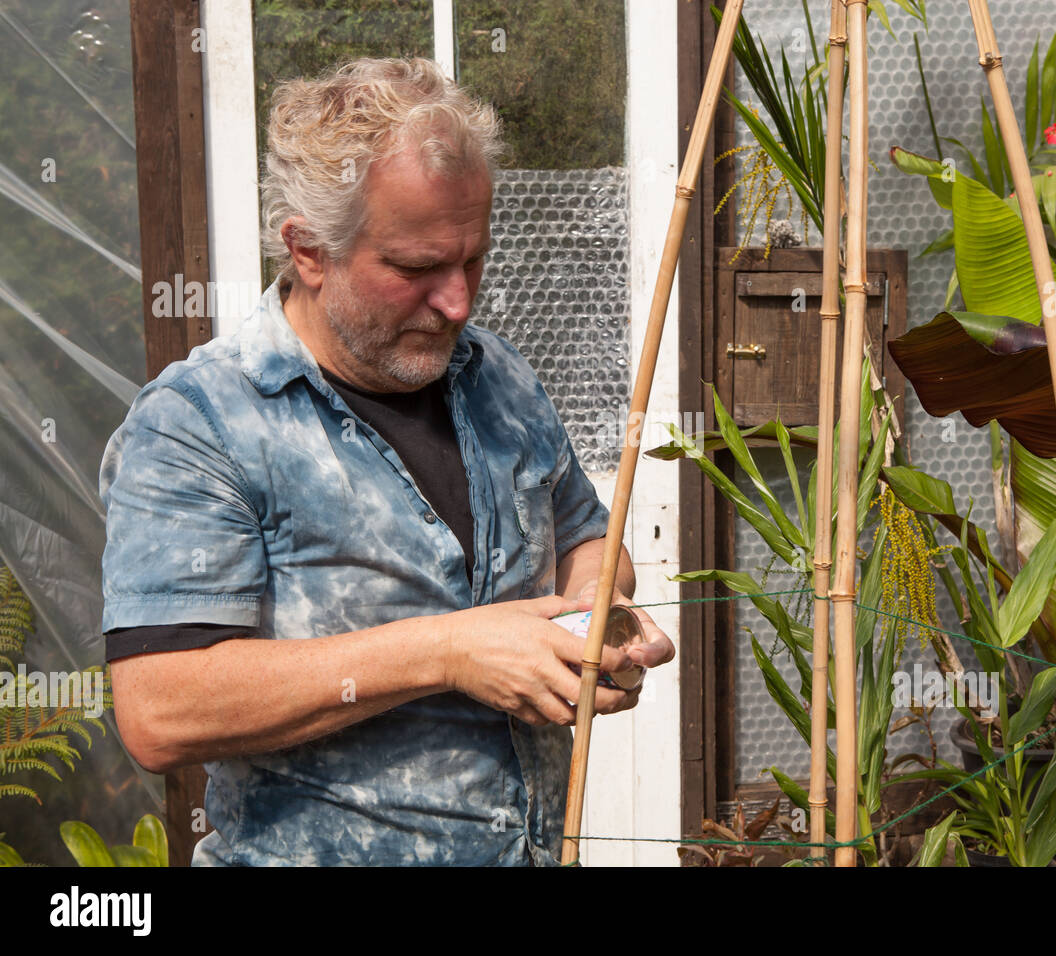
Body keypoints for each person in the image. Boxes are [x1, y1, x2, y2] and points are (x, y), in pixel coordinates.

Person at [99, 57, 672, 866]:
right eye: (415, 269)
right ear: (308, 251)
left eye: (472, 258)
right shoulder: (201, 425)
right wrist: (447, 652)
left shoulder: (498, 377)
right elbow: (159, 709)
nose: (459, 301)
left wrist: (594, 617)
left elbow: (585, 534)